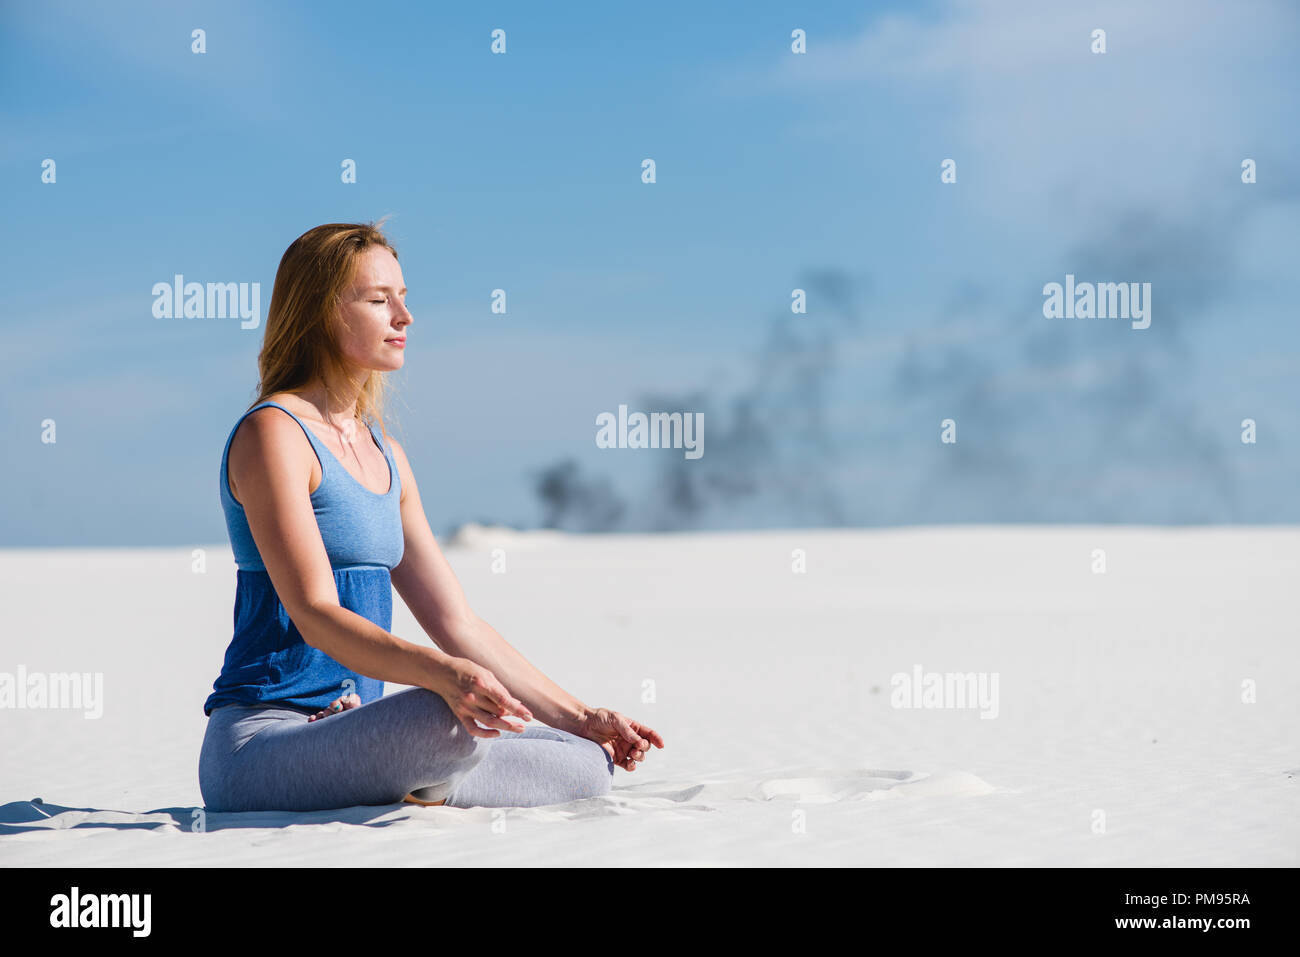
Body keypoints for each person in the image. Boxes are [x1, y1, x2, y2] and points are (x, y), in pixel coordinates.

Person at [198, 221, 664, 812]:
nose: (404, 317)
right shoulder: (274, 434)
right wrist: (446, 676)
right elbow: (315, 615)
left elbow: (459, 624)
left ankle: (419, 782)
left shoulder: (385, 453)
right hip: (265, 744)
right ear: (320, 313)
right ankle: (424, 778)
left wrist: (581, 716)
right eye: (378, 299)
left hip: (359, 733)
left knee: (582, 759)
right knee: (438, 715)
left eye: (404, 298)